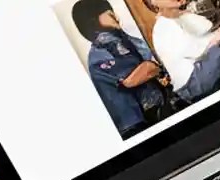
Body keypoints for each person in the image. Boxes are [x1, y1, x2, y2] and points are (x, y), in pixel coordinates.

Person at [72, 0, 170, 138]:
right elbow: (142, 72)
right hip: (137, 125)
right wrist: (155, 67)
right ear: (93, 20)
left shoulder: (117, 41)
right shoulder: (104, 51)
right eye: (110, 15)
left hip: (145, 118)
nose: (116, 18)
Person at [145, 0, 220, 104]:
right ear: (153, 2)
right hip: (192, 82)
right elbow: (194, 50)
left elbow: (208, 32)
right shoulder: (162, 26)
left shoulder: (183, 16)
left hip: (203, 67)